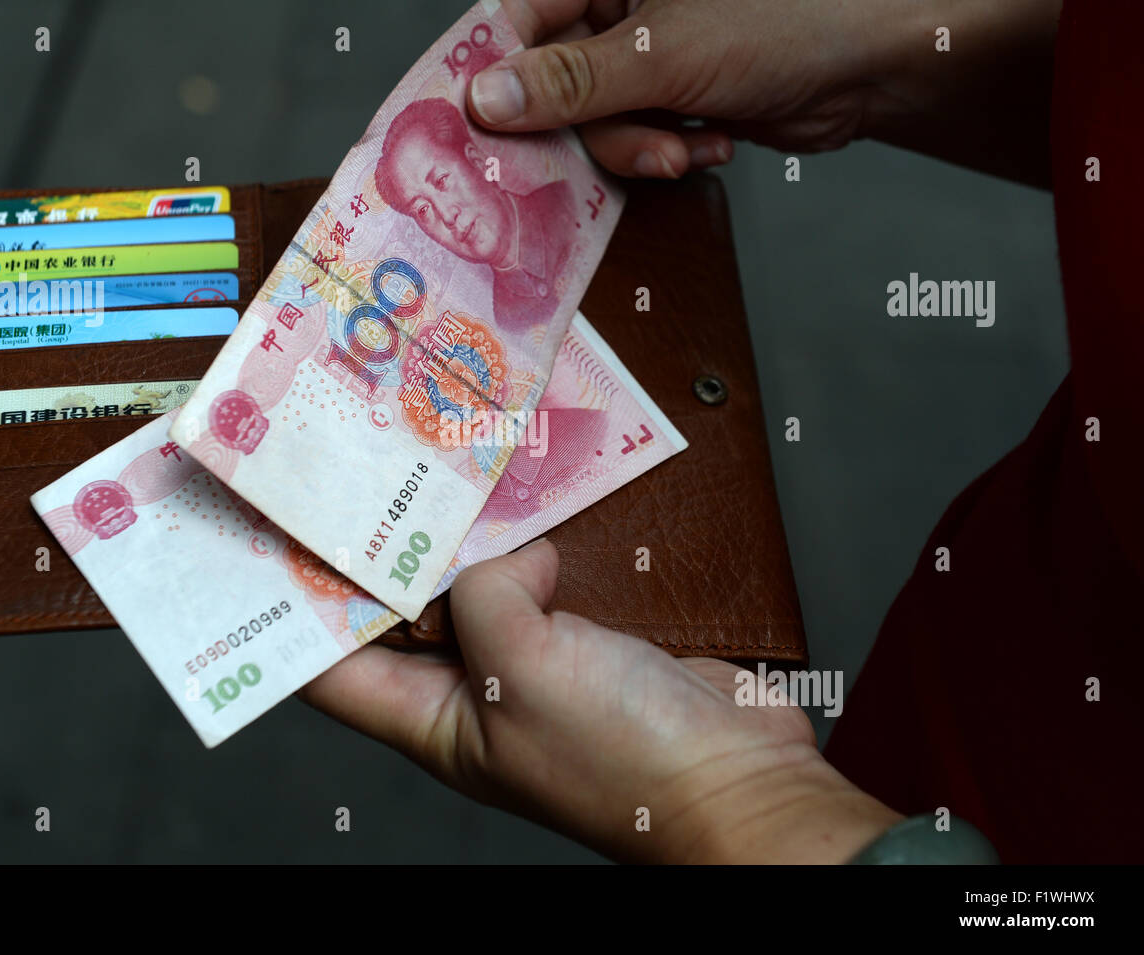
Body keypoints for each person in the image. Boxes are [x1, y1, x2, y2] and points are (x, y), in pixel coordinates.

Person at [303, 0, 1141, 863]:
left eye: (443, 183)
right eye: (426, 208)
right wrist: (866, 61)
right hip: (953, 706)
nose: (441, 217)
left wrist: (746, 805)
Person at [374, 97, 575, 331]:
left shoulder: (570, 203)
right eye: (422, 209)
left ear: (477, 162)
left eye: (441, 180)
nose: (447, 216)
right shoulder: (506, 319)